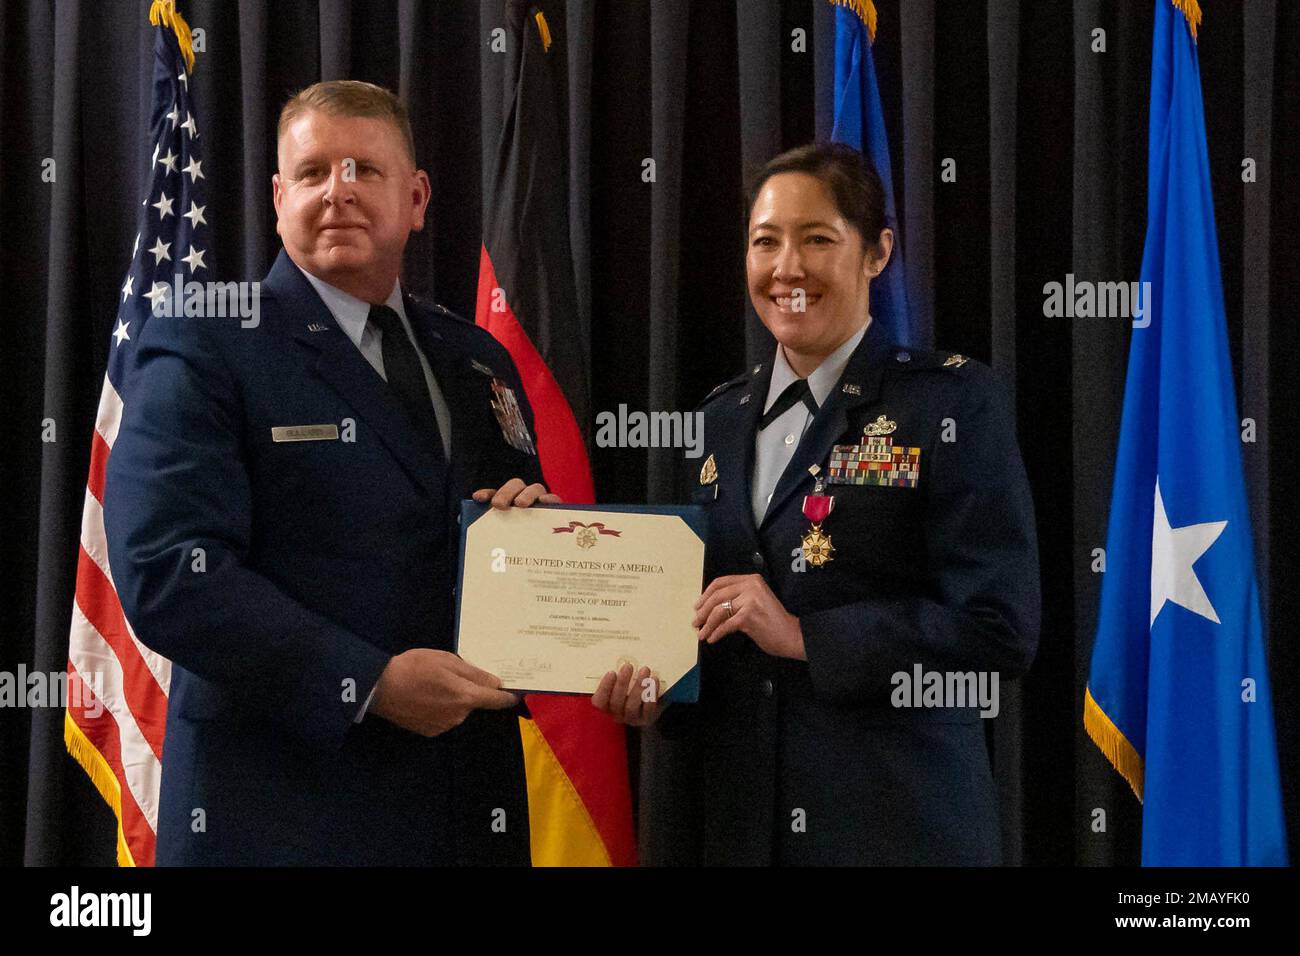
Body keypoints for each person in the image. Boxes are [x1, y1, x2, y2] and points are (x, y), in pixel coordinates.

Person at [104, 80, 557, 865]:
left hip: (462, 809)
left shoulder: (476, 359)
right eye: (313, 173)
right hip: (279, 818)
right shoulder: (206, 340)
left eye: (363, 170)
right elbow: (169, 573)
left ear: (416, 199)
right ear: (279, 199)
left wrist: (546, 556)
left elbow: (511, 551)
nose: (337, 192)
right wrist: (370, 682)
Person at [594, 142, 1041, 865]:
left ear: (876, 252)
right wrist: (658, 692)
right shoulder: (716, 420)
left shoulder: (950, 404)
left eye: (817, 240)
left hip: (898, 833)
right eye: (765, 242)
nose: (787, 268)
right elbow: (700, 635)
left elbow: (1000, 632)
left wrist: (806, 636)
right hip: (740, 831)